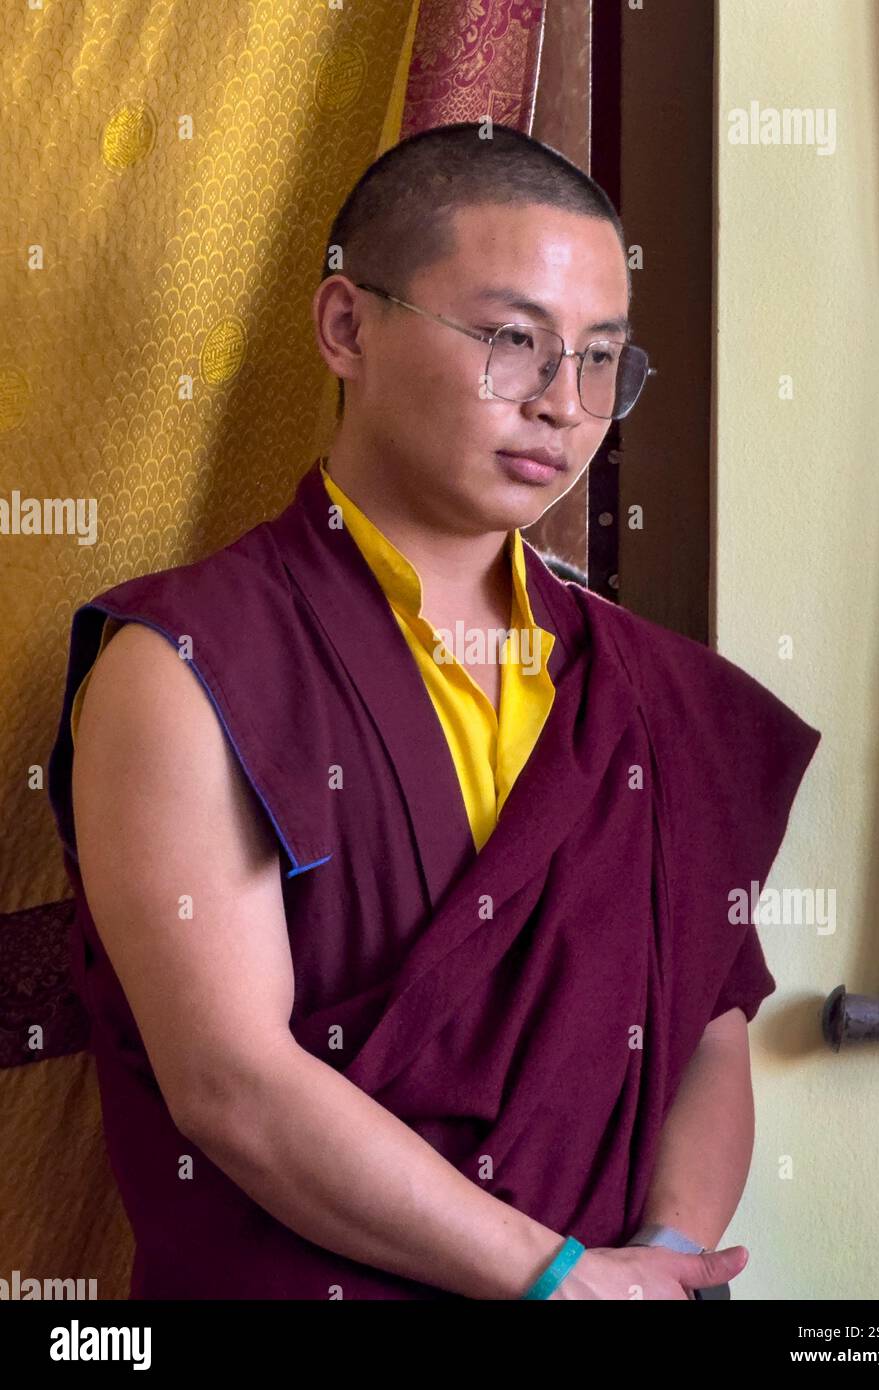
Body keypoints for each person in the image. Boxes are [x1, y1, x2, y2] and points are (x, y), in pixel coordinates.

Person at [47, 122, 821, 1301]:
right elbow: (231, 1081)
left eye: (604, 356)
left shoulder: (656, 695)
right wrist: (554, 1277)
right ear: (347, 327)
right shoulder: (191, 663)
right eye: (514, 341)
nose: (566, 405)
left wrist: (662, 1259)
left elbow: (708, 1018)